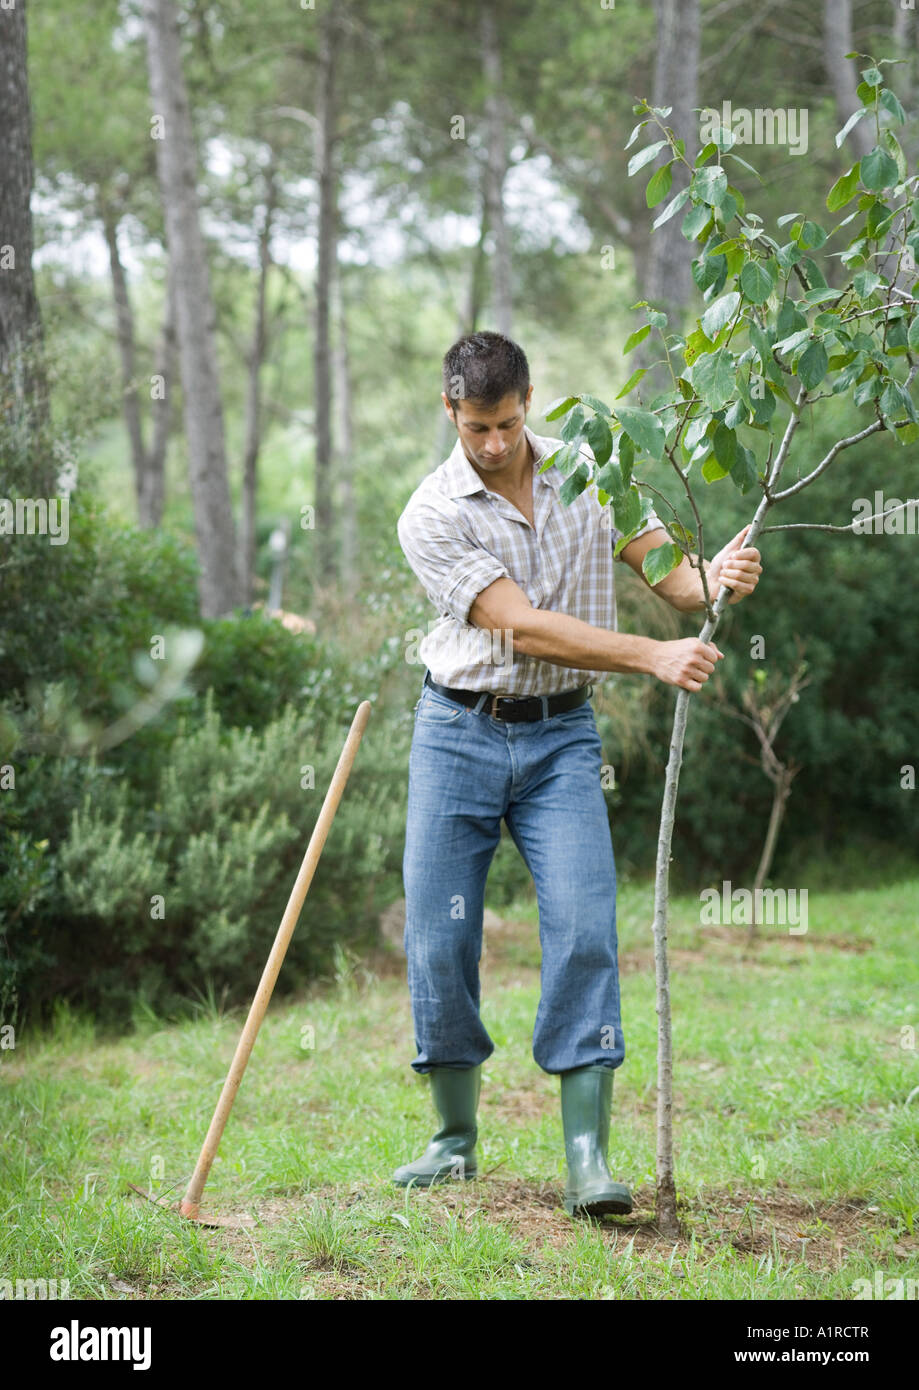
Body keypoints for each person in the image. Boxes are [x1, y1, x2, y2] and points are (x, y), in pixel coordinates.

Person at [394, 331, 762, 1217]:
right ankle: (453, 1141)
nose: (494, 443)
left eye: (509, 423)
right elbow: (517, 625)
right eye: (477, 426)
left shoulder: (593, 467)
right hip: (458, 732)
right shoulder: (430, 513)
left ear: (530, 401)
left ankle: (587, 1158)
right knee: (440, 940)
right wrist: (650, 656)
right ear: (450, 411)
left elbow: (667, 577)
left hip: (562, 741)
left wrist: (714, 579)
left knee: (586, 927)